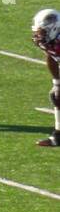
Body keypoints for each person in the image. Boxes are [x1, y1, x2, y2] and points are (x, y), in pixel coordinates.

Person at [31, 9, 60, 147]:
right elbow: (52, 57)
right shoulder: (50, 41)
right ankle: (58, 136)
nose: (38, 35)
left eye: (42, 31)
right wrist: (57, 83)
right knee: (56, 95)